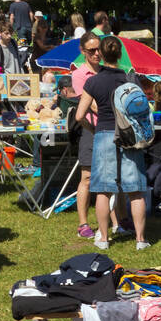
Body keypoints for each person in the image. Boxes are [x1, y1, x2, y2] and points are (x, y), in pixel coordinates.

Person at [73, 34, 150, 251]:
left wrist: (93, 129)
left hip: (104, 134)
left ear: (102, 53)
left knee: (103, 191)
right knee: (135, 191)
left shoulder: (93, 81)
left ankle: (104, 238)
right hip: (129, 136)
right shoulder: (129, 79)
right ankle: (141, 239)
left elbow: (79, 116)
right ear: (120, 54)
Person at [68, 32, 102, 239]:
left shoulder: (106, 71)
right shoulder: (80, 74)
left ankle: (115, 221)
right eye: (92, 50)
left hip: (108, 128)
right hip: (90, 129)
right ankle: (83, 224)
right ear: (83, 52)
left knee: (110, 178)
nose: (97, 53)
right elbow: (89, 103)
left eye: (99, 49)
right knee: (87, 177)